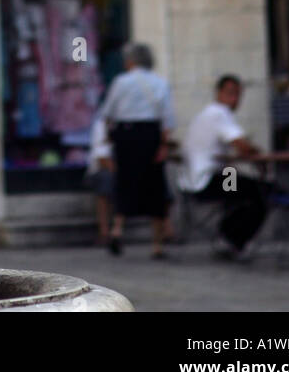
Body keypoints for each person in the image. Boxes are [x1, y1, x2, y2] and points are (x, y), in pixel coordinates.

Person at [179, 74, 269, 260]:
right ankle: (232, 239)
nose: (234, 99)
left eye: (237, 94)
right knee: (260, 192)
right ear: (218, 93)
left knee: (244, 189)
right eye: (230, 93)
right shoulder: (219, 113)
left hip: (197, 178)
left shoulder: (208, 113)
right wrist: (255, 151)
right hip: (206, 179)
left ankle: (228, 236)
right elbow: (241, 144)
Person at [98, 42, 175, 259]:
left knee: (124, 183)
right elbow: (167, 119)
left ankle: (117, 230)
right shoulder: (160, 83)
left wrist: (108, 137)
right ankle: (157, 245)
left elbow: (108, 112)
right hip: (150, 135)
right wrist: (163, 145)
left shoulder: (121, 82)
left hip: (126, 135)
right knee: (155, 187)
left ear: (130, 60)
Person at [85, 114, 114, 247]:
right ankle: (105, 232)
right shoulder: (101, 125)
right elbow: (102, 158)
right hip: (103, 170)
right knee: (106, 179)